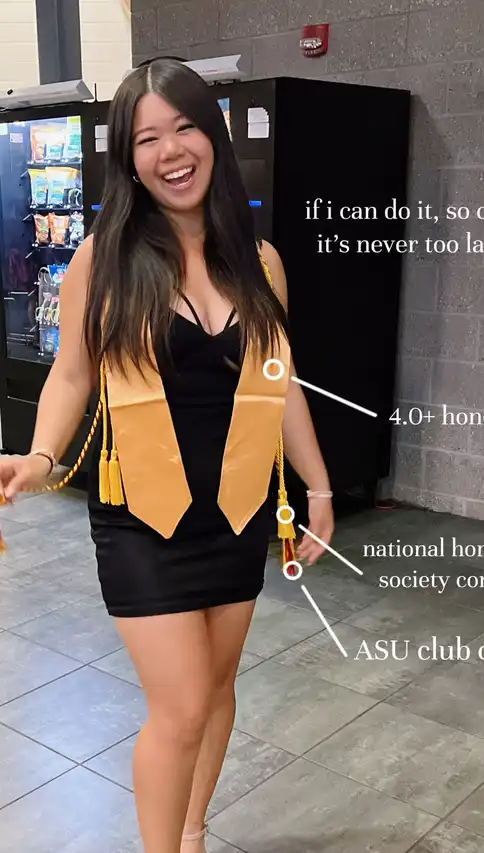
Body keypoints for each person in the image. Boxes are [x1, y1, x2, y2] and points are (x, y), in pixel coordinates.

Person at [0, 58, 334, 853]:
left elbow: (280, 381)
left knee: (216, 692)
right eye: (147, 137)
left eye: (185, 126)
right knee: (180, 707)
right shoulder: (102, 259)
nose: (170, 150)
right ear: (128, 157)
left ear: (212, 137)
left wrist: (318, 489)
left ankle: (191, 832)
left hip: (239, 511)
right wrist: (40, 455)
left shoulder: (261, 262)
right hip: (142, 516)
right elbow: (72, 373)